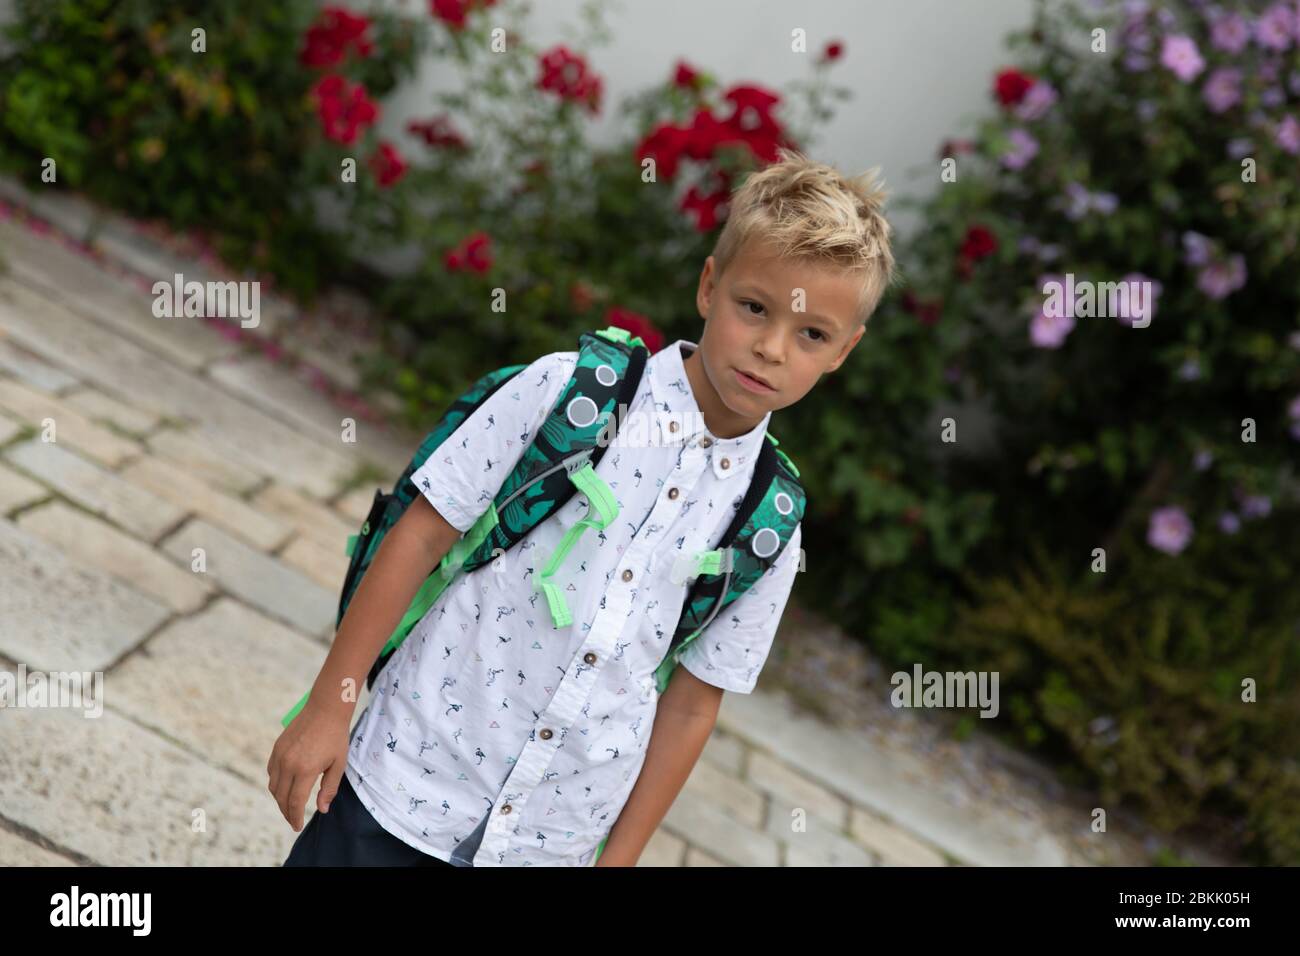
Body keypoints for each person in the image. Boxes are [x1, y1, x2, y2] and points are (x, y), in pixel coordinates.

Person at [269, 146, 896, 867]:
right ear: (709, 286)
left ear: (843, 351)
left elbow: (693, 704)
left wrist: (618, 859)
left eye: (811, 334)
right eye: (754, 308)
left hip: (549, 840)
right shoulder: (568, 394)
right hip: (404, 778)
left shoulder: (770, 525)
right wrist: (330, 705)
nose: (771, 349)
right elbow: (417, 536)